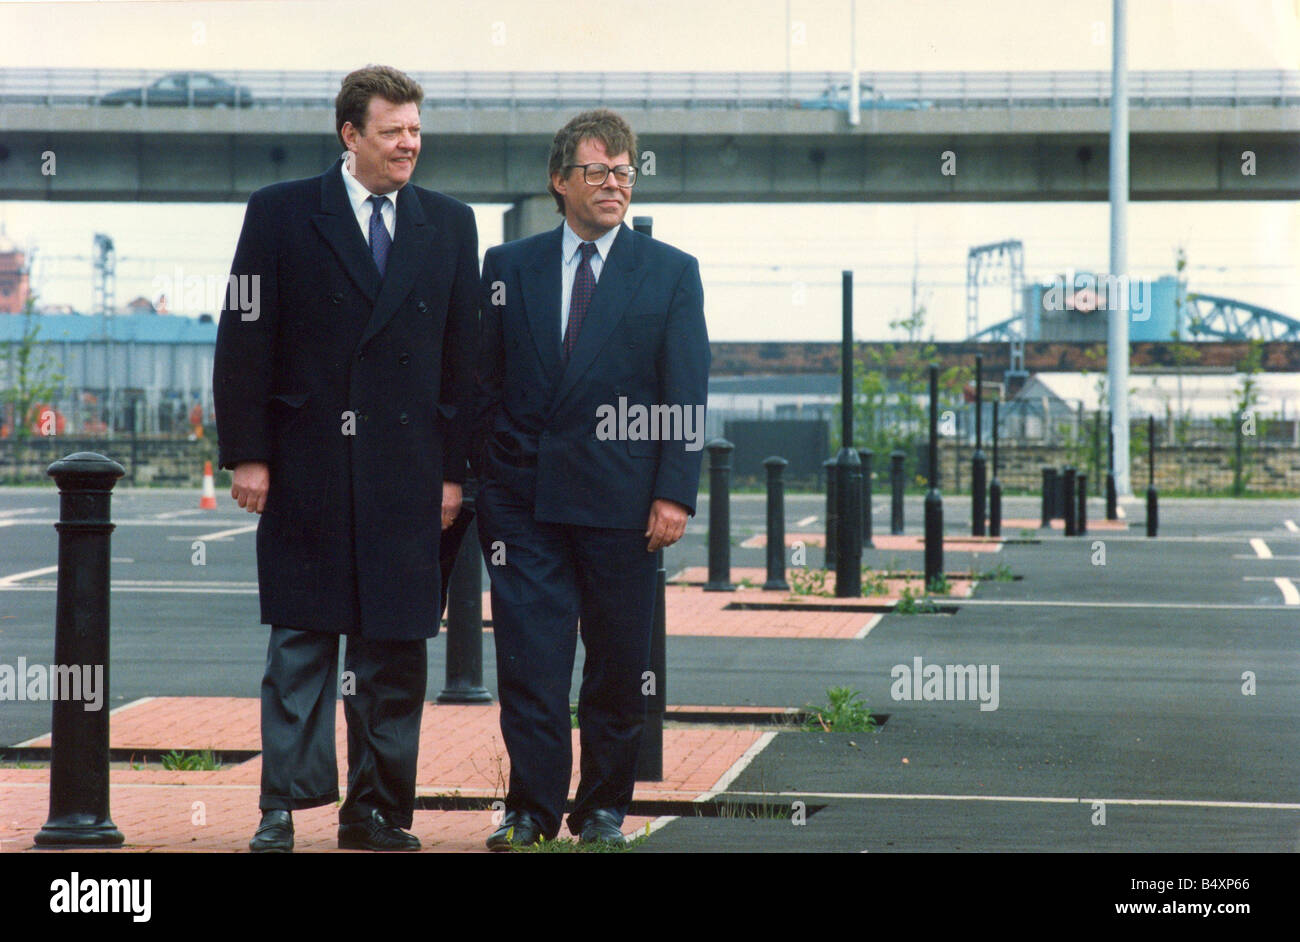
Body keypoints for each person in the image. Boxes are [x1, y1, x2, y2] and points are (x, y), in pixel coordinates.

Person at [212, 64, 479, 853]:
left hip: (407, 471)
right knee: (301, 640)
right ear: (350, 134)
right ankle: (281, 809)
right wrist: (247, 455)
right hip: (307, 467)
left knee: (393, 648)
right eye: (393, 130)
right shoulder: (281, 213)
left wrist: (454, 471)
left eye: (417, 130)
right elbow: (243, 341)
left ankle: (374, 813)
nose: (409, 144)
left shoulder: (450, 224)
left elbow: (468, 360)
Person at [474, 109, 710, 849]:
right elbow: (482, 383)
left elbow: (686, 392)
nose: (614, 185)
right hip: (525, 506)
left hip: (625, 504)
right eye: (598, 171)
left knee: (616, 665)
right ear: (559, 180)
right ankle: (531, 810)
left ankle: (603, 808)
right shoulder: (508, 268)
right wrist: (484, 479)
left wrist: (674, 491)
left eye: (624, 172)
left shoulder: (670, 272)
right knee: (532, 664)